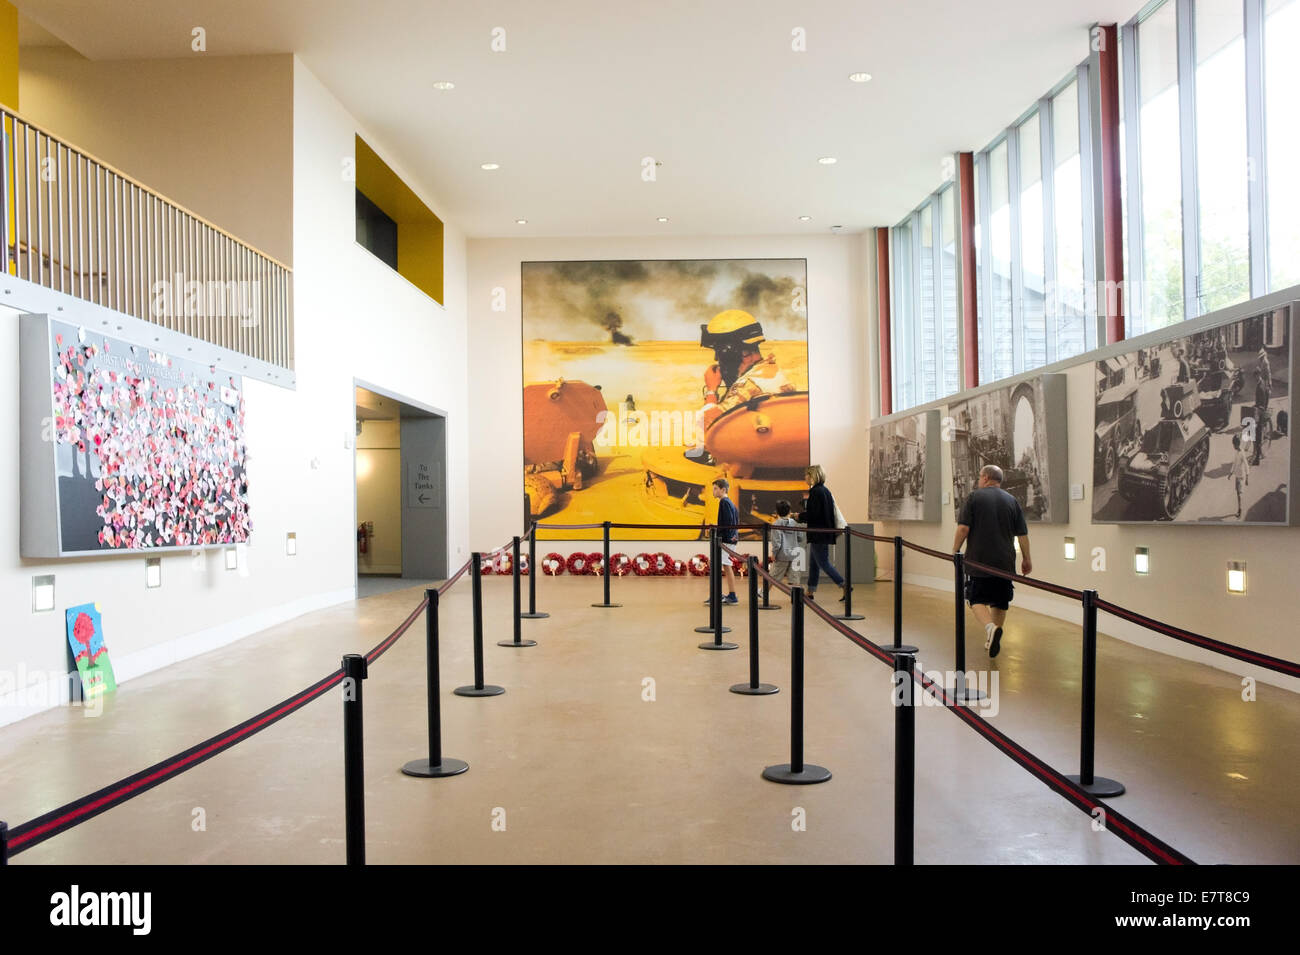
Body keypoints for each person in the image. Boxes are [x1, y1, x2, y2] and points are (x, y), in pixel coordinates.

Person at [689, 309, 795, 460]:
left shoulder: (748, 386)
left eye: (719, 354)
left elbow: (707, 437)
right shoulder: (776, 373)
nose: (718, 360)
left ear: (731, 353)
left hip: (752, 463)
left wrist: (711, 391)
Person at [953, 464, 1031, 659]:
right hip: (1005, 561)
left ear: (986, 478)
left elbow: (963, 529)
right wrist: (1027, 559)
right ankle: (992, 637)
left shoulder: (973, 497)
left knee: (975, 598)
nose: (979, 480)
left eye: (980, 477)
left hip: (980, 560)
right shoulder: (1012, 500)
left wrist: (955, 550)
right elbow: (1022, 534)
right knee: (1000, 601)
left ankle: (990, 629)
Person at [798, 464, 846, 602]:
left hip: (818, 533)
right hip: (823, 533)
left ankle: (844, 585)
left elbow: (813, 514)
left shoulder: (815, 492)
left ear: (813, 476)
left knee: (823, 563)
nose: (805, 477)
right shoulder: (825, 491)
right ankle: (810, 591)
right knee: (814, 563)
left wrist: (799, 516)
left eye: (807, 475)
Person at [705, 477, 739, 604]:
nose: (713, 491)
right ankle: (731, 595)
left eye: (715, 489)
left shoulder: (724, 502)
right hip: (731, 539)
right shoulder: (730, 503)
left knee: (716, 565)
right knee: (727, 565)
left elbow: (728, 523)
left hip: (726, 540)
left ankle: (717, 595)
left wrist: (719, 534)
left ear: (723, 489)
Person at [769, 500, 806, 589]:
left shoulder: (776, 524)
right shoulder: (795, 523)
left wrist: (774, 554)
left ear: (777, 512)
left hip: (782, 555)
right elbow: (800, 537)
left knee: (774, 576)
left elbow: (777, 542)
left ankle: (763, 592)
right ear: (790, 511)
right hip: (795, 554)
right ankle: (796, 599)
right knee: (795, 578)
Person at [1229, 434, 1250, 520]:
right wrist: (1230, 473)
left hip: (1241, 476)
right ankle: (1239, 508)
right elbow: (1234, 463)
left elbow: (1246, 465)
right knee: (1237, 493)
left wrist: (1247, 478)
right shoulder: (1237, 452)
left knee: (1239, 494)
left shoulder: (1242, 453)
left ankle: (1240, 510)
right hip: (1237, 476)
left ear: (1236, 444)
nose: (1233, 446)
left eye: (1233, 444)